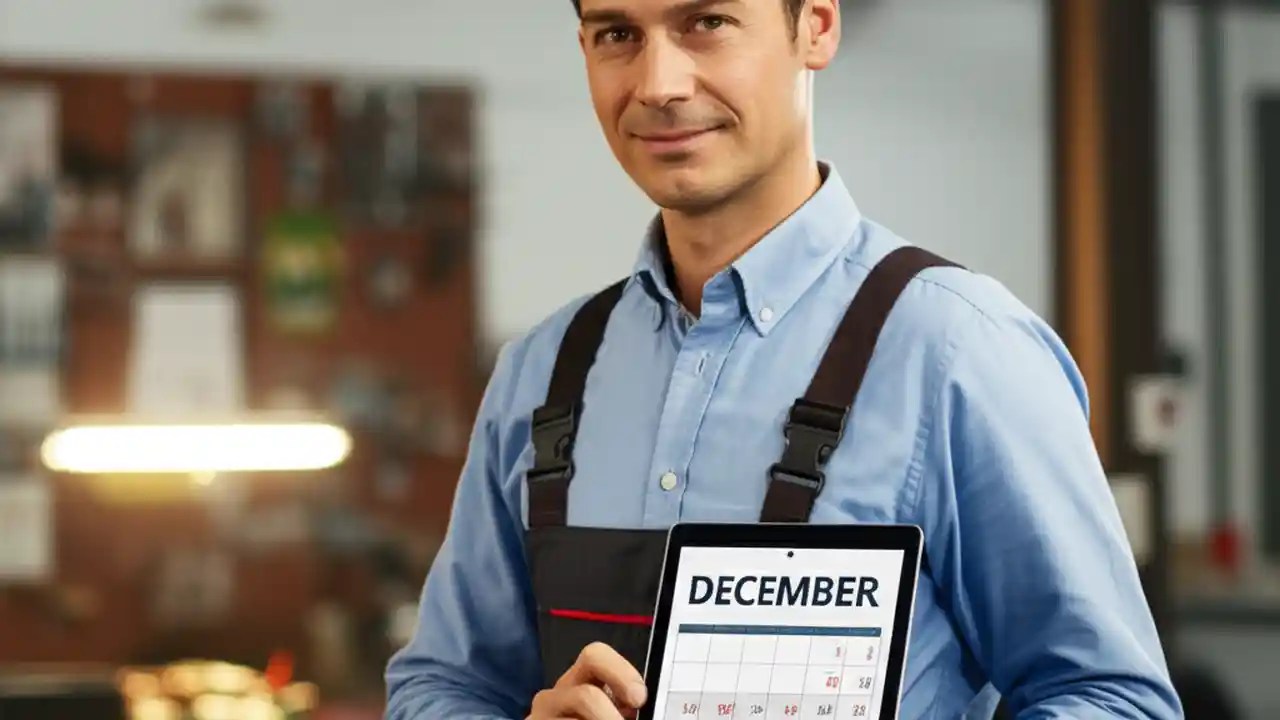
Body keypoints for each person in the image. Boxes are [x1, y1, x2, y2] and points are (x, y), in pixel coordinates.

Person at [384, 0, 1184, 718]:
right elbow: (442, 687)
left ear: (817, 26)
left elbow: (1114, 699)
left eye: (707, 23)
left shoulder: (959, 352)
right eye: (617, 34)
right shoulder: (542, 371)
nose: (658, 82)